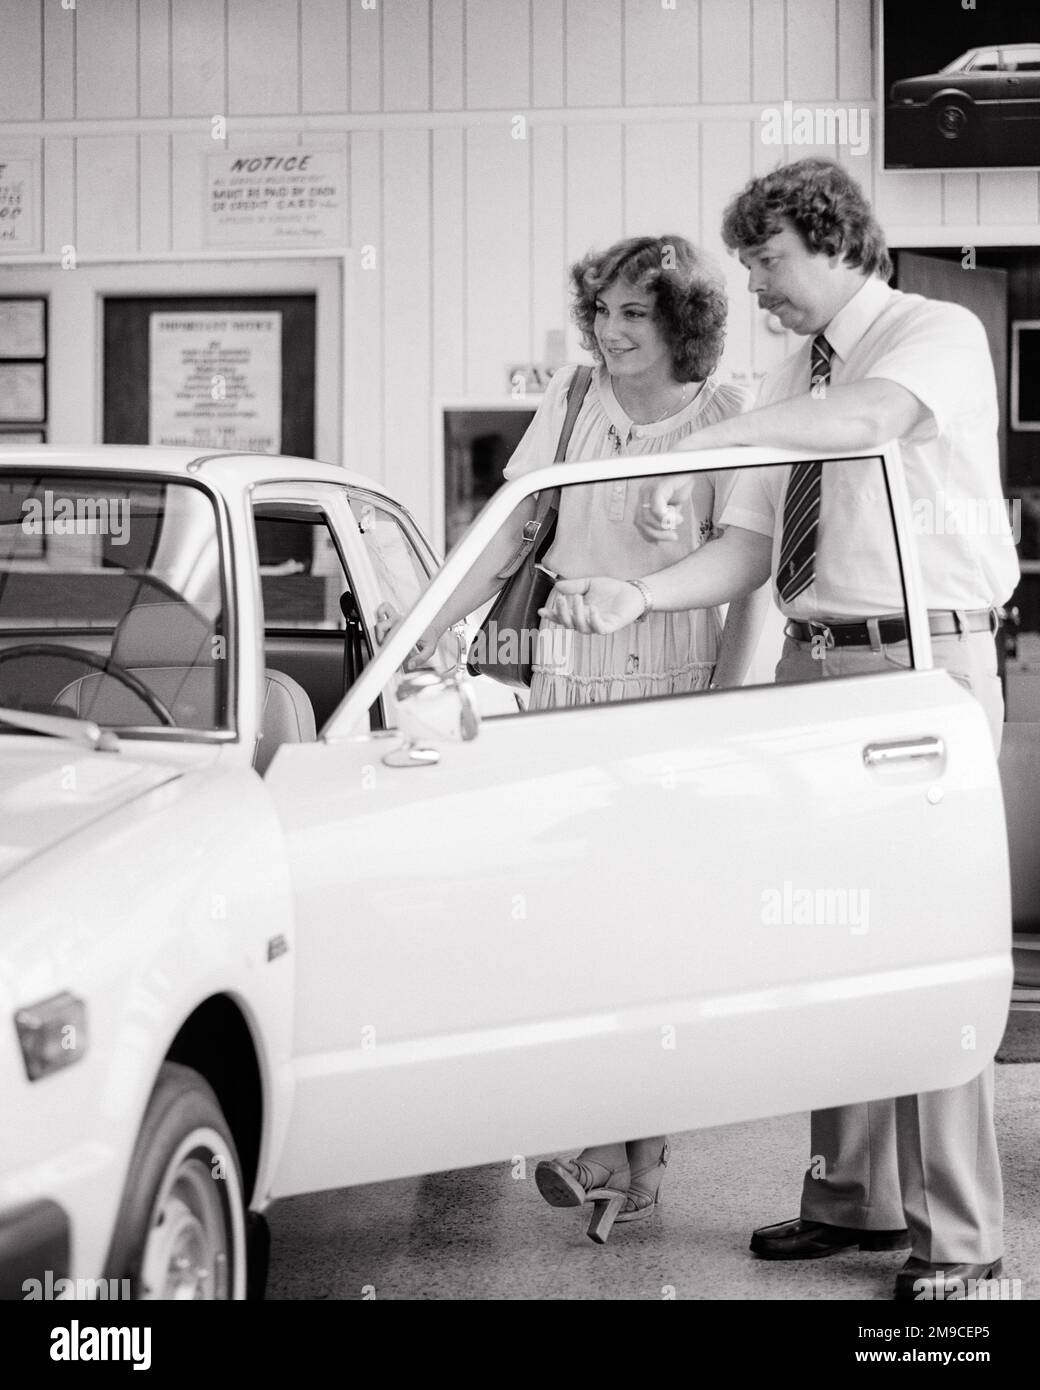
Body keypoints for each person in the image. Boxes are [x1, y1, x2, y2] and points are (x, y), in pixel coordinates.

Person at [541, 159, 1019, 1299]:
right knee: (840, 939)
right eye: (747, 265)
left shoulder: (929, 334)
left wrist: (697, 445)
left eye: (766, 261)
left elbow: (863, 421)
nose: (752, 286)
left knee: (925, 942)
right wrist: (638, 594)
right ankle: (850, 1199)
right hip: (818, 663)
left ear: (834, 240)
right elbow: (750, 547)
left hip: (921, 661)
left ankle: (959, 1239)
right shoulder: (786, 373)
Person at [413, 233, 769, 1239]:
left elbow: (748, 570)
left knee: (651, 926)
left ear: (680, 323)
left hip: (672, 681)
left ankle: (630, 1149)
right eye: (602, 312)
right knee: (582, 915)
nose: (610, 333)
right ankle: (618, 1151)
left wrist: (726, 704)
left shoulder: (730, 415)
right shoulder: (572, 401)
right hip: (569, 683)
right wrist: (431, 629)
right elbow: (507, 530)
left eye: (633, 315)